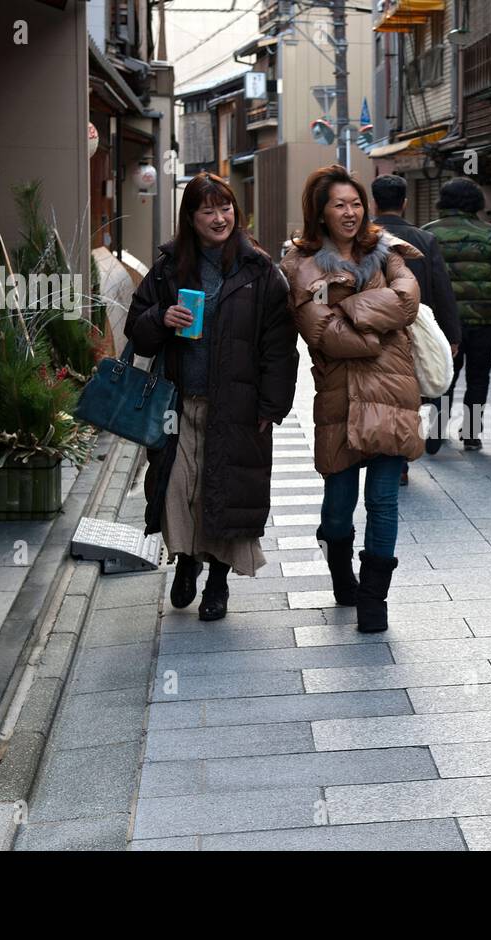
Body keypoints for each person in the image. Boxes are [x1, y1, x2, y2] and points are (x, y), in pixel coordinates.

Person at [125, 172, 298, 622]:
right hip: (178, 403)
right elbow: (135, 329)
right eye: (207, 210)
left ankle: (218, 582)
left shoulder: (260, 271)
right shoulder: (167, 268)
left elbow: (279, 346)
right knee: (176, 489)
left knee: (222, 493)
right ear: (191, 217)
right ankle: (185, 562)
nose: (219, 218)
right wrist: (162, 317)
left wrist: (271, 407)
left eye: (225, 208)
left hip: (237, 407)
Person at [280, 164, 423, 634]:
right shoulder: (299, 265)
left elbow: (407, 302)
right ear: (319, 212)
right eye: (339, 204)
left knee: (383, 499)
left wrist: (347, 306)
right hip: (339, 397)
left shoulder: (385, 251)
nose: (351, 212)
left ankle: (373, 597)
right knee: (338, 508)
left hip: (391, 392)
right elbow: (322, 334)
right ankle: (342, 574)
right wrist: (375, 333)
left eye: (356, 203)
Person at [370, 174, 461, 483]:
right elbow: (441, 288)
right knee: (411, 391)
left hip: (374, 330)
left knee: (382, 393)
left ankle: (392, 458)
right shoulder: (423, 240)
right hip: (415, 329)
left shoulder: (363, 238)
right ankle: (411, 451)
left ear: (373, 202)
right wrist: (451, 335)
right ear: (405, 202)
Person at [421, 178, 491, 451]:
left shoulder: (428, 234)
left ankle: (437, 430)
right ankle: (471, 432)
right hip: (482, 321)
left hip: (443, 324)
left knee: (444, 375)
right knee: (478, 377)